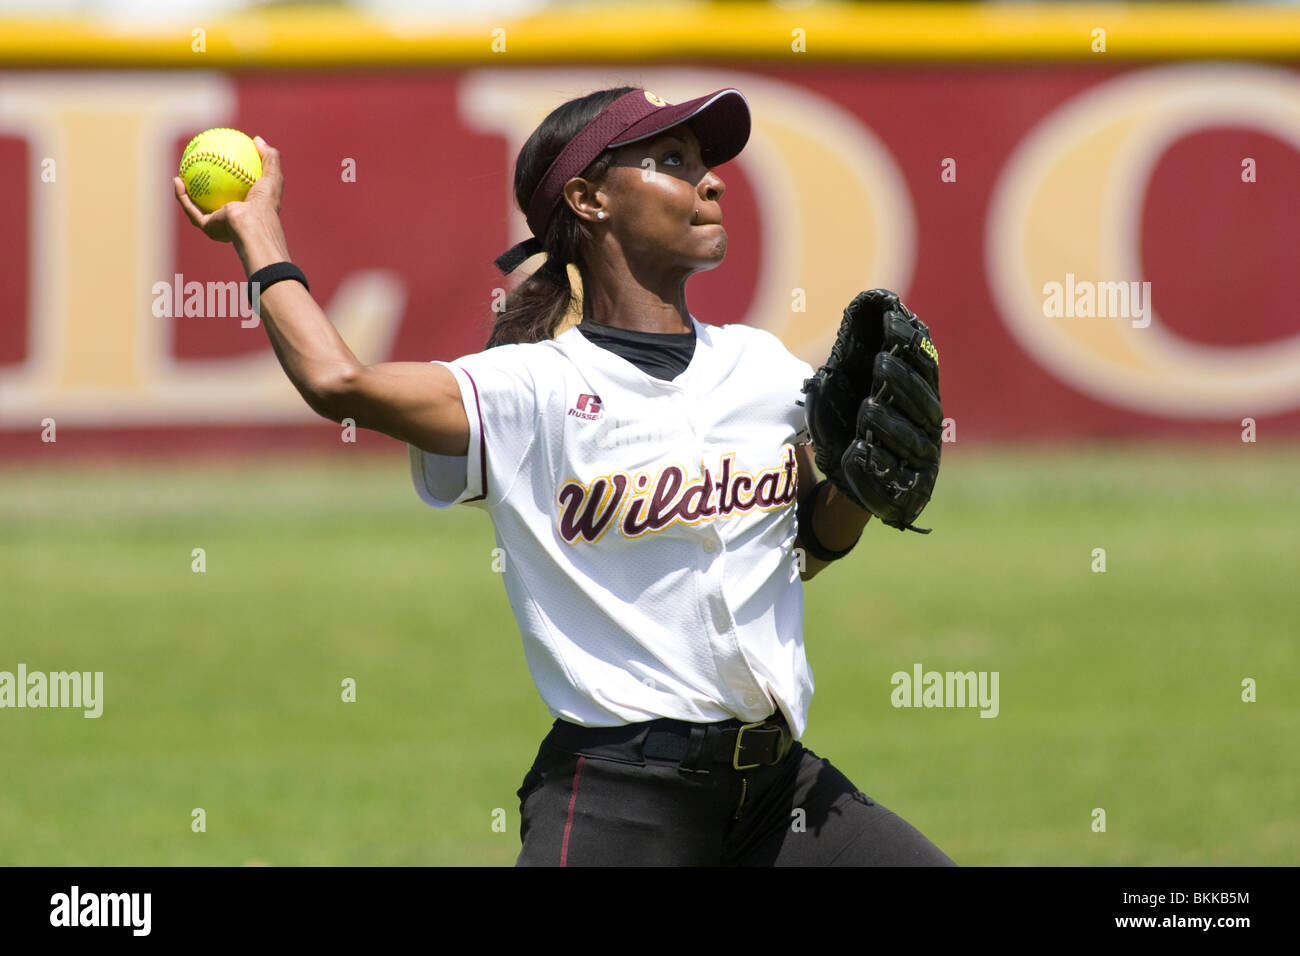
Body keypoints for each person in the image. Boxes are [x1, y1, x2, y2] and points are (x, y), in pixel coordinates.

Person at [173, 85, 954, 867]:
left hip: (782, 797)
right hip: (623, 799)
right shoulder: (526, 389)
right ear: (588, 199)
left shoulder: (763, 369)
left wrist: (854, 490)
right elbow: (337, 382)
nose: (710, 180)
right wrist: (258, 232)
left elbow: (799, 552)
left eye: (706, 163)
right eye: (674, 161)